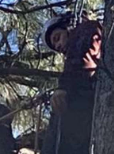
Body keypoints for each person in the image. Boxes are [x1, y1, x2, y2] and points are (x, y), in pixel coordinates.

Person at [41, 14, 103, 154]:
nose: (58, 46)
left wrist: (64, 88)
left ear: (68, 27)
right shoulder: (74, 56)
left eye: (57, 38)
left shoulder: (86, 30)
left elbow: (83, 60)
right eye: (55, 46)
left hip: (84, 104)